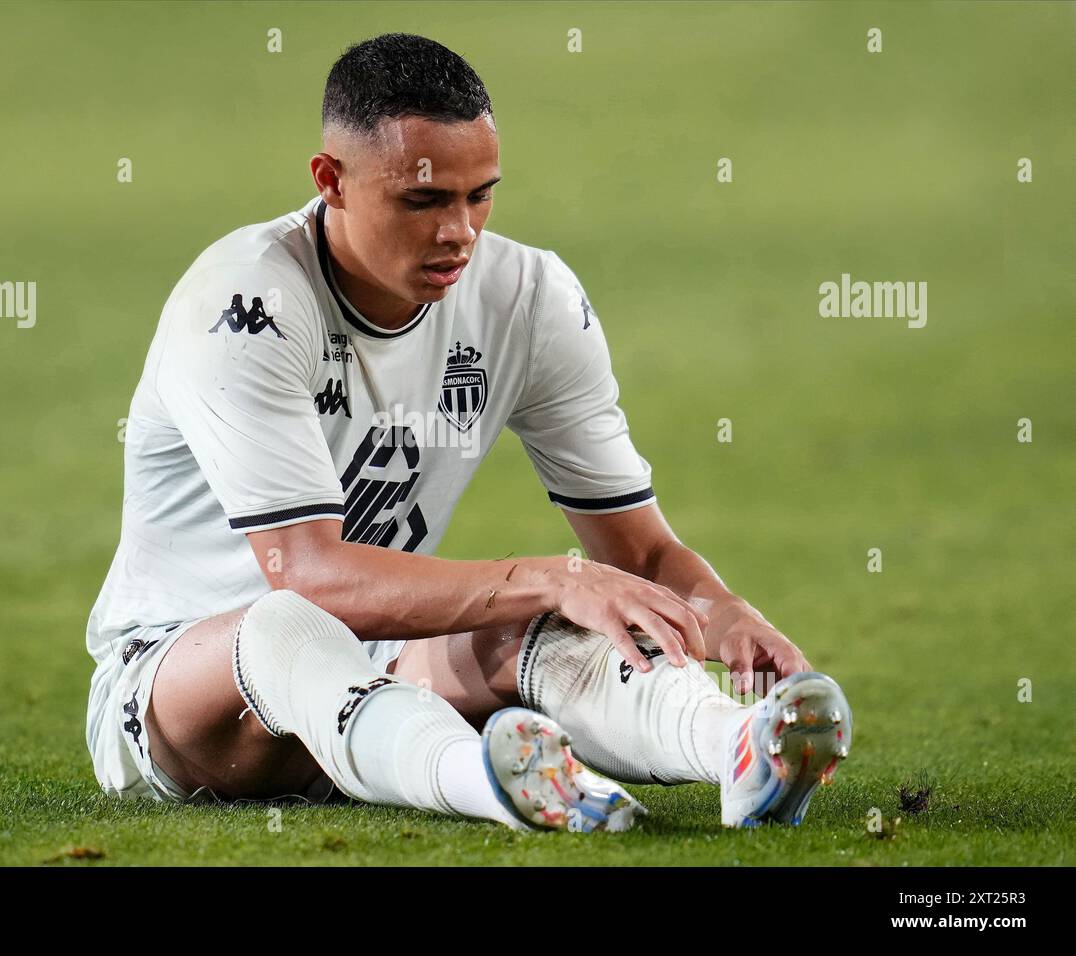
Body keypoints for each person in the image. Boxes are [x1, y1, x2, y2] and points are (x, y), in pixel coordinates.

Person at [84, 32, 852, 832]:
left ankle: (738, 749)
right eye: (423, 201)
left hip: (379, 688)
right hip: (180, 700)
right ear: (331, 180)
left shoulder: (527, 297)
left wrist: (719, 609)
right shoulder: (246, 305)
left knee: (537, 623)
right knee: (289, 625)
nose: (460, 231)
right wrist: (555, 573)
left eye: (479, 195)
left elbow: (639, 554)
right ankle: (492, 782)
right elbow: (304, 575)